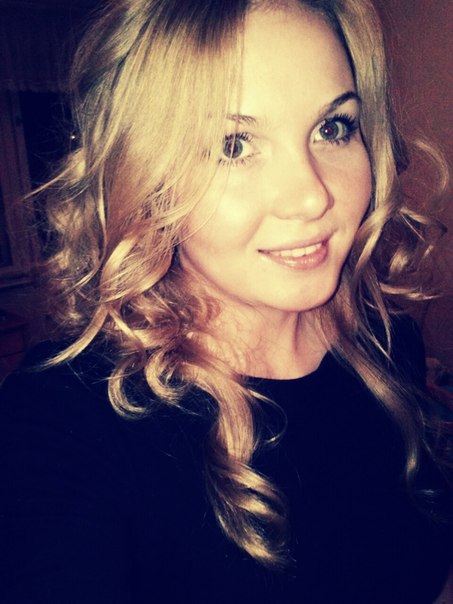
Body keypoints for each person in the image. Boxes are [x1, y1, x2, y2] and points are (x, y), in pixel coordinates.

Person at [0, 0, 451, 602]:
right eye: (234, 144)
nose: (312, 197)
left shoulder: (385, 341)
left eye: (333, 128)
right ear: (144, 175)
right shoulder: (60, 422)